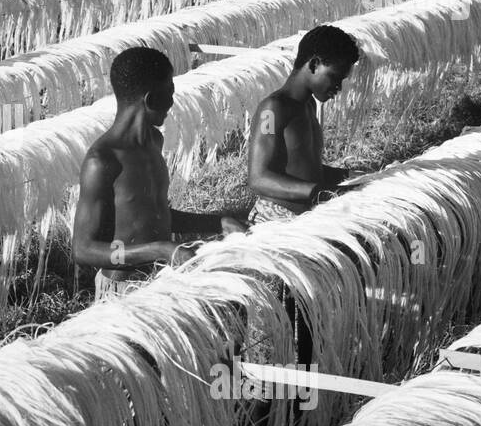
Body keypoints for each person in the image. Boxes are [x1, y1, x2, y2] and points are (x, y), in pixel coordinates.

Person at [72, 47, 248, 299]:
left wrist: (218, 222)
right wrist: (160, 249)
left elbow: (155, 216)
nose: (172, 103)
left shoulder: (153, 141)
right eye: (169, 94)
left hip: (160, 280)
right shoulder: (102, 160)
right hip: (123, 293)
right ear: (150, 99)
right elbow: (84, 249)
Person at [246, 24, 363, 224]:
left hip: (304, 215)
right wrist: (320, 193)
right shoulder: (272, 109)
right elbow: (258, 179)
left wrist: (352, 176)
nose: (339, 88)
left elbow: (305, 169)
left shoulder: (308, 105)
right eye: (335, 77)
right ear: (314, 64)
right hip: (274, 219)